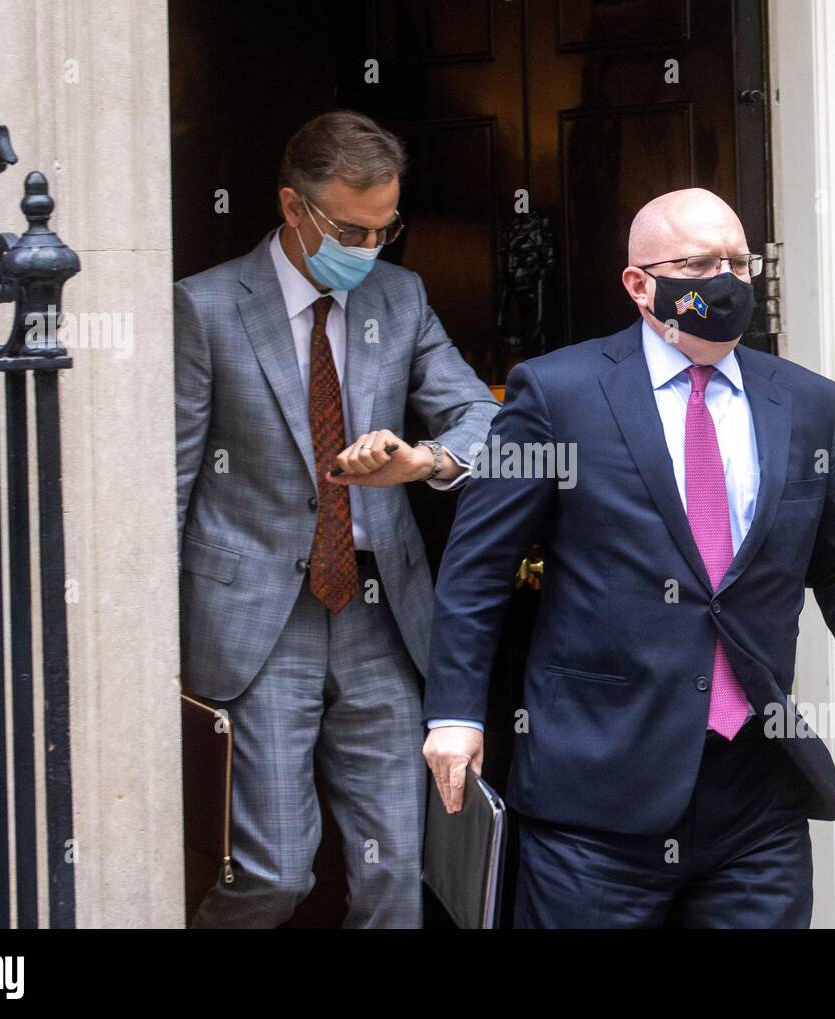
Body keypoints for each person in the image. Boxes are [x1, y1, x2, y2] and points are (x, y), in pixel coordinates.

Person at [422, 187, 835, 928]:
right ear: (639, 284)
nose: (723, 280)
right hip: (594, 798)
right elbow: (478, 564)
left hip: (755, 798)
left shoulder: (809, 402)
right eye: (698, 263)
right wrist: (457, 711)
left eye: (737, 261)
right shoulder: (558, 394)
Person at [177, 110, 499, 928]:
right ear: (294, 208)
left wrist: (422, 461)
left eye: (384, 230)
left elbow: (485, 418)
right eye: (350, 230)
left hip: (379, 617)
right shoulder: (204, 309)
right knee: (274, 873)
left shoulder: (402, 294)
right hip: (255, 624)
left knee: (395, 874)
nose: (368, 248)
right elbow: (170, 484)